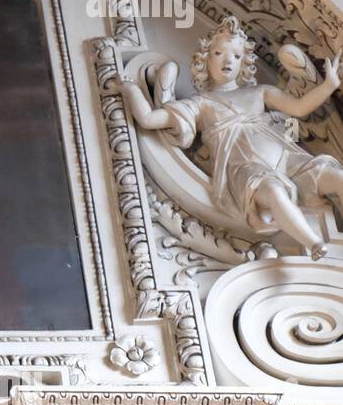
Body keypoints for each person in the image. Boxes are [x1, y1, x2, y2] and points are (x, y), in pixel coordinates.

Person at [115, 16, 343, 259]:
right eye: (219, 53)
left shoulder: (260, 92)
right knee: (274, 192)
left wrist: (329, 85)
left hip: (288, 158)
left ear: (244, 62)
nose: (228, 60)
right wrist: (130, 90)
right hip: (247, 169)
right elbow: (150, 119)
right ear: (205, 58)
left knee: (336, 176)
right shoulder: (201, 104)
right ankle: (314, 243)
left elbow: (298, 108)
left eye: (236, 55)